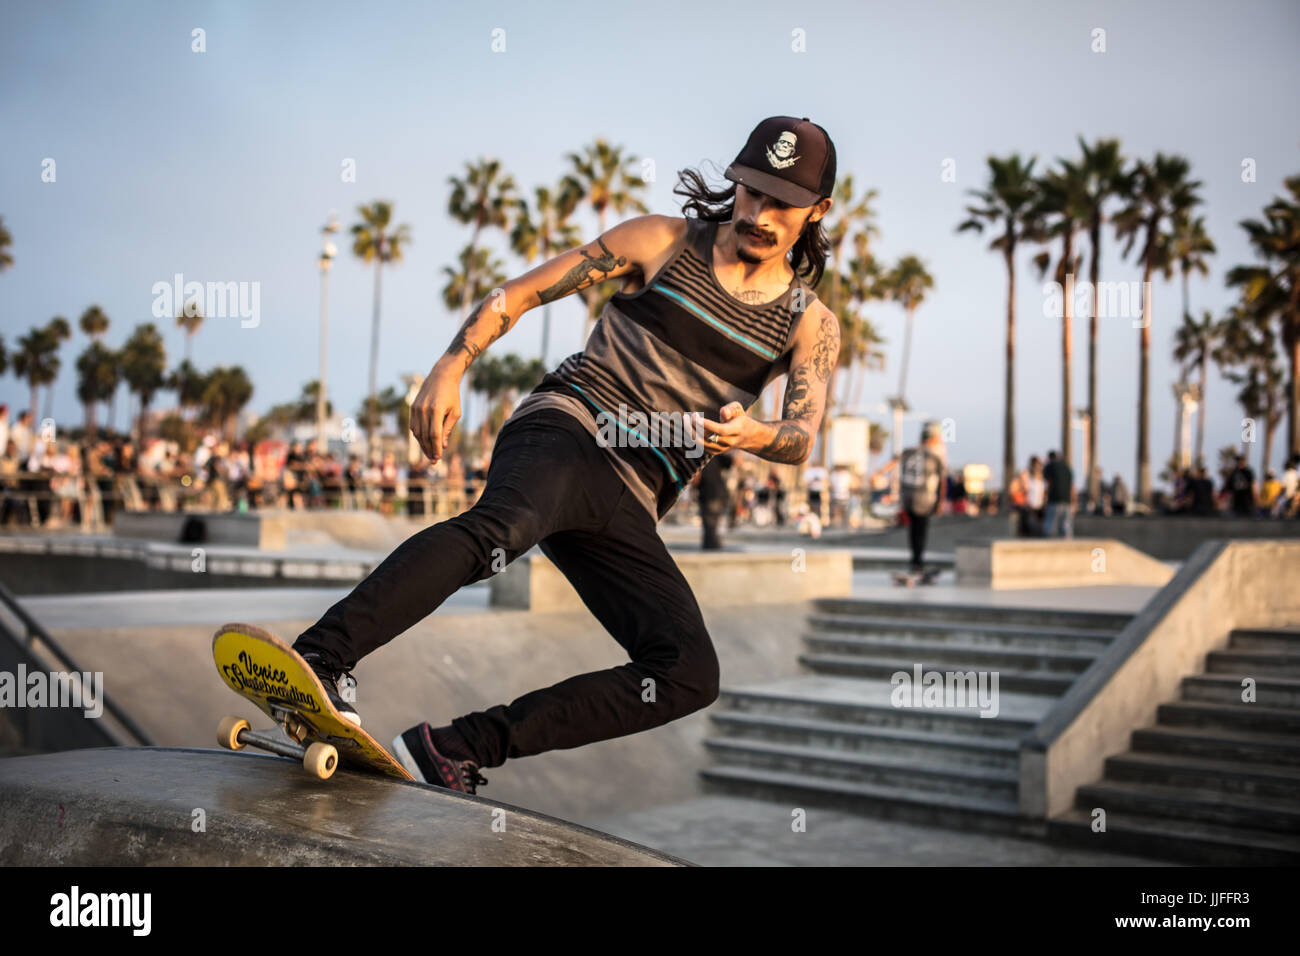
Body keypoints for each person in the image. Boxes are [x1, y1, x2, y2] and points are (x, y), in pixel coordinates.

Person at [290, 116, 841, 794]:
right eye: (750, 192)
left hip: (628, 499)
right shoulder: (663, 240)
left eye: (780, 203)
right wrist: (451, 364)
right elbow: (520, 293)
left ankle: (456, 746)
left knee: (687, 673)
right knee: (505, 526)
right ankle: (323, 654)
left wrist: (757, 435)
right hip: (569, 427)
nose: (757, 214)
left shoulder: (806, 322)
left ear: (817, 210)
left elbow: (801, 434)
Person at [898, 421, 946, 573]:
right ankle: (917, 561)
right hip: (925, 500)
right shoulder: (935, 456)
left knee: (914, 530)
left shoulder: (910, 452)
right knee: (920, 530)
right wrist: (939, 502)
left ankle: (915, 560)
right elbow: (941, 481)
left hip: (909, 498)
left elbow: (896, 463)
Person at [697, 453, 732, 550]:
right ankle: (713, 548)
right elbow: (729, 461)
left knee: (710, 527)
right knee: (712, 527)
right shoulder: (713, 455)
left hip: (710, 495)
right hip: (719, 495)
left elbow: (696, 479)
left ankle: (712, 549)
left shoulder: (699, 457)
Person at [1042, 450, 1074, 537]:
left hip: (1054, 500)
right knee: (1066, 528)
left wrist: (1044, 498)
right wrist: (1074, 501)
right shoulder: (1067, 468)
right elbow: (1072, 487)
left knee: (1050, 528)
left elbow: (1048, 483)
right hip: (1067, 500)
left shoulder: (1050, 466)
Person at [1025, 456, 1046, 536]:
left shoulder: (1042, 479)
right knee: (1031, 524)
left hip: (1040, 505)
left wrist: (1044, 502)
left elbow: (1043, 493)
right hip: (1031, 505)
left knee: (1040, 525)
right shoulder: (1028, 478)